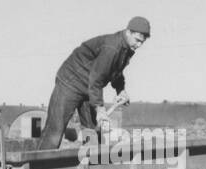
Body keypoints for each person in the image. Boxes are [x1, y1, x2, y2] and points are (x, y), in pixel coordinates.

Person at [39, 17, 150, 149]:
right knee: (55, 131)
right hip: (70, 82)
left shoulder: (126, 49)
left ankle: (89, 168)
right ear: (128, 32)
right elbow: (97, 78)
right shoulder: (112, 47)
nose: (139, 45)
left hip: (89, 88)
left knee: (92, 133)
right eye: (137, 40)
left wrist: (121, 90)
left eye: (142, 42)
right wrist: (100, 109)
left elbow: (116, 71)